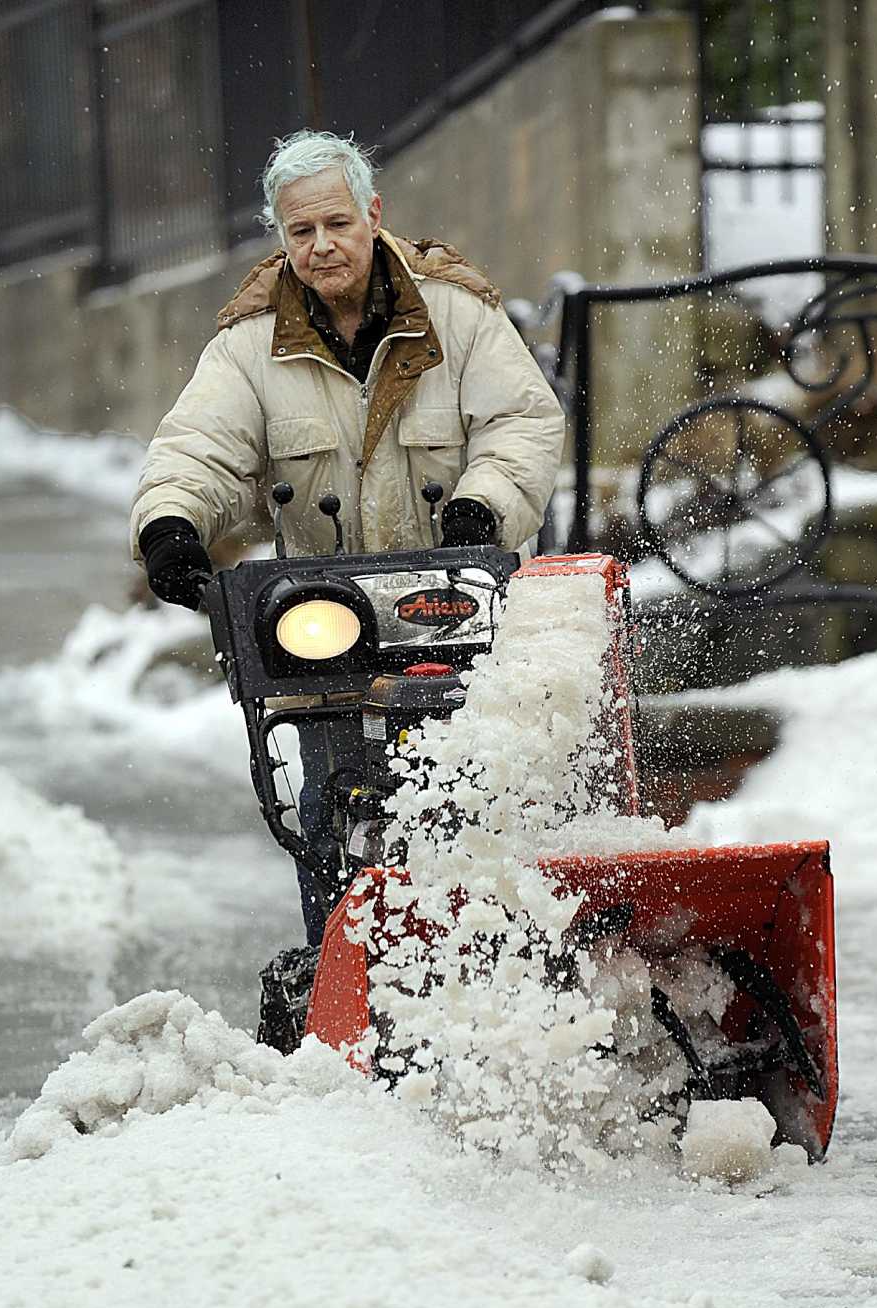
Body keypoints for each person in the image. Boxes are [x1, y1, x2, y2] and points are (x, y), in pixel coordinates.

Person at [130, 129, 565, 948]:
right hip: (332, 628)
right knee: (330, 810)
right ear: (281, 237)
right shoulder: (250, 347)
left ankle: (496, 952)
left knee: (477, 798)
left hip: (457, 606)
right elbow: (197, 449)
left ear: (373, 215)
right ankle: (343, 965)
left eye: (336, 223)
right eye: (301, 232)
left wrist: (482, 508)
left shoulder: (458, 318)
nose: (321, 245)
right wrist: (170, 529)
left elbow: (522, 425)